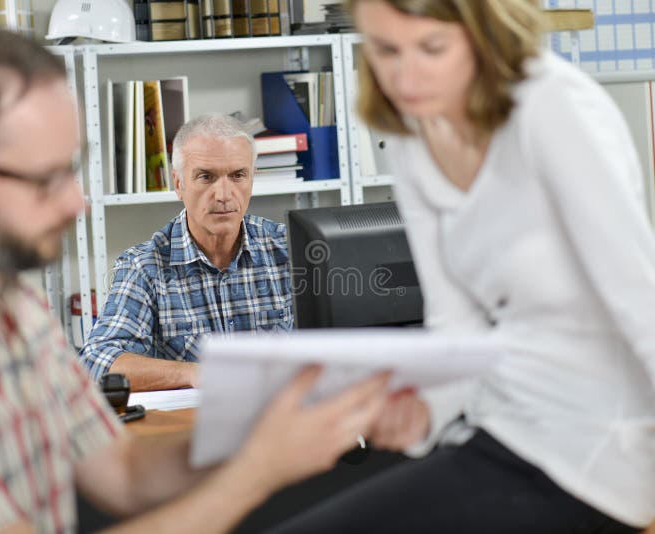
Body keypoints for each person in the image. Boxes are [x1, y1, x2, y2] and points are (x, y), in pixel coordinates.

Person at [0, 26, 391, 533]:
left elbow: (122, 471)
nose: (77, 203)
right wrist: (260, 469)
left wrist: (262, 438)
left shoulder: (6, 297)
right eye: (46, 178)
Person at [270, 1, 655, 532]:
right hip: (508, 430)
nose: (405, 77)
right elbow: (456, 321)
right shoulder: (413, 133)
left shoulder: (552, 107)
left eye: (431, 48)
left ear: (481, 34)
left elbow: (639, 298)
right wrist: (424, 408)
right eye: (385, 50)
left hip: (601, 451)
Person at [79, 113, 292, 390]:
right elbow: (96, 362)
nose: (224, 195)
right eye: (206, 177)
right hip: (194, 417)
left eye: (238, 175)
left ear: (252, 179)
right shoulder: (144, 266)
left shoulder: (289, 248)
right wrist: (194, 374)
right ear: (178, 184)